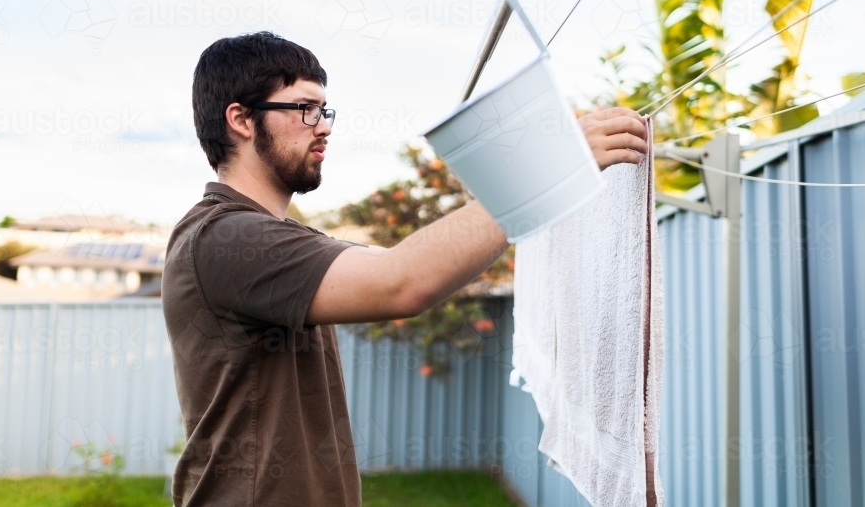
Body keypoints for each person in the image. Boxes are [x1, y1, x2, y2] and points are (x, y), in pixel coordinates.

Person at [162, 31, 648, 506]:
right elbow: (403, 284)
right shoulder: (227, 238)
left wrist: (519, 181)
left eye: (325, 110)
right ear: (242, 119)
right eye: (305, 108)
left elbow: (416, 265)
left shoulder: (279, 240)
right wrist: (550, 164)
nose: (325, 126)